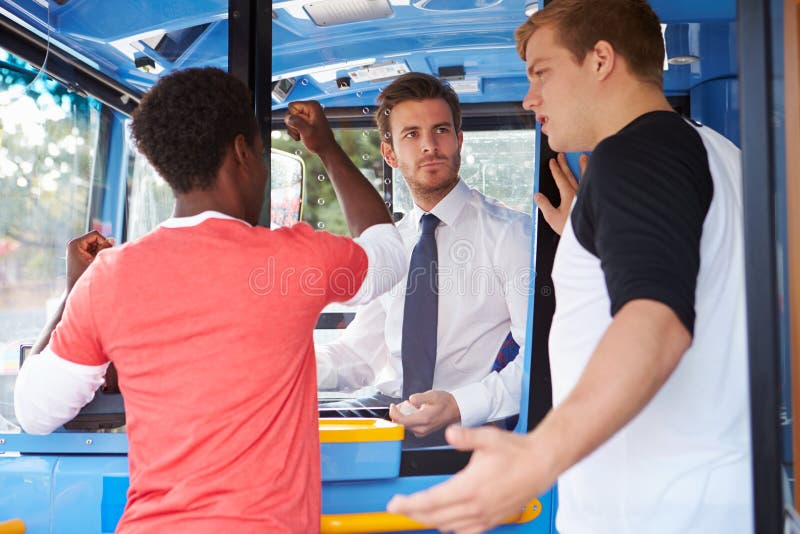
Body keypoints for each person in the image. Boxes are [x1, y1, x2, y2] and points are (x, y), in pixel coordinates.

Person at [388, 0, 751, 532]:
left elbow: (658, 323)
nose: (529, 96)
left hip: (652, 509)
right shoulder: (718, 153)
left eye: (541, 73)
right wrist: (591, 236)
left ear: (601, 60)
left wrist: (537, 456)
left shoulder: (632, 157)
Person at [14, 67, 406, 533]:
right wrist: (326, 148)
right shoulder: (290, 260)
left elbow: (35, 413)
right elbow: (387, 254)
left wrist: (77, 288)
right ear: (242, 151)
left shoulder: (110, 278)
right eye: (262, 154)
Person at [303, 72, 532, 441]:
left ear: (459, 140)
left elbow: (535, 359)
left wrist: (460, 405)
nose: (430, 145)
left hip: (470, 426)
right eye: (412, 134)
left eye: (441, 130)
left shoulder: (511, 234)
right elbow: (359, 356)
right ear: (390, 153)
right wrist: (284, 367)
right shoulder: (394, 244)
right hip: (391, 413)